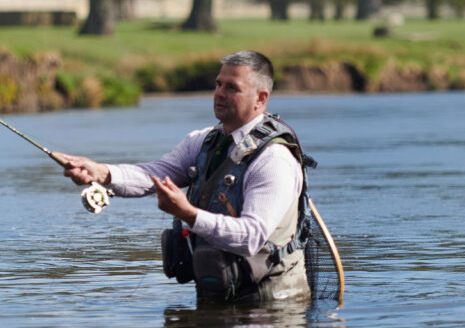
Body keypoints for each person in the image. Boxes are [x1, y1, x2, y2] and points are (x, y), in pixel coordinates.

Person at [58, 50, 312, 302]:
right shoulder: (203, 141)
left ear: (261, 98)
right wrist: (102, 172)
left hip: (275, 309)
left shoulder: (274, 160)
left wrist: (187, 213)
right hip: (221, 297)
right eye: (218, 84)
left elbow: (251, 238)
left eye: (232, 88)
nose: (219, 93)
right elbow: (155, 174)